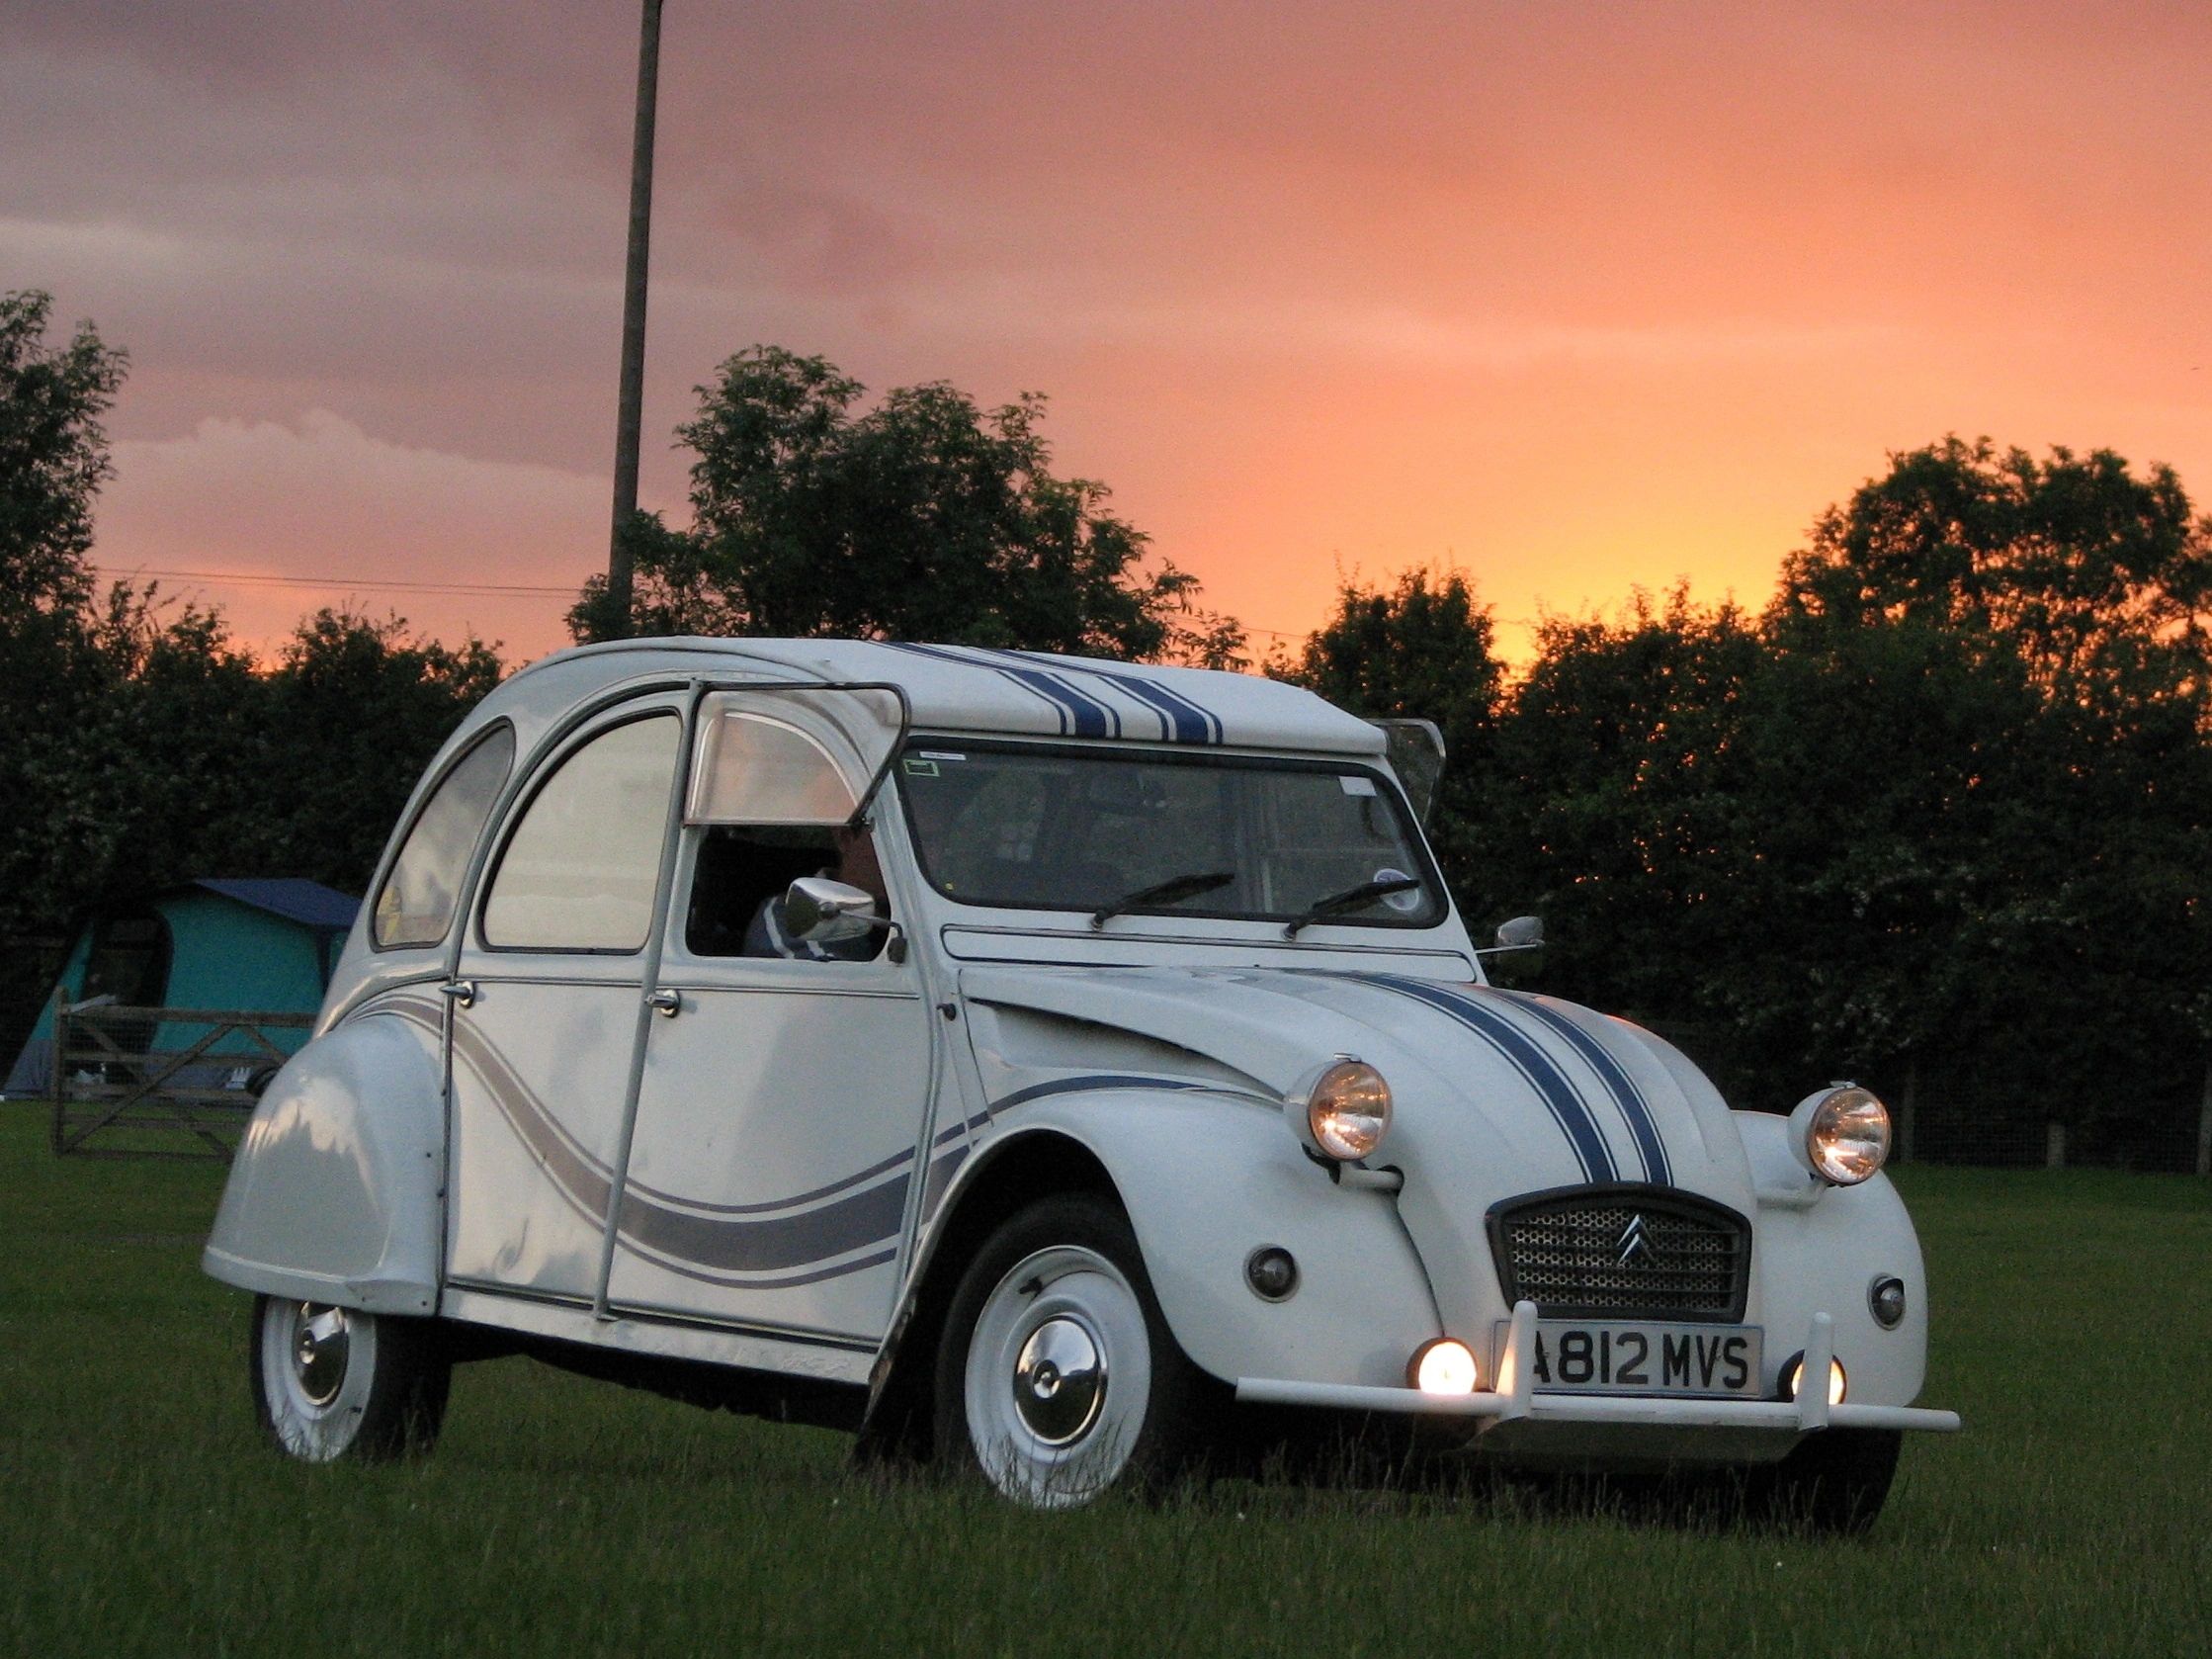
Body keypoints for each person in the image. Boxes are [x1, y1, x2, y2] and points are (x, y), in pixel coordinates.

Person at [742, 822, 889, 961]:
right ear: (845, 838)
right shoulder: (792, 912)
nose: (899, 853)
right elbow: (824, 975)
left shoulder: (899, 910)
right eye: (886, 837)